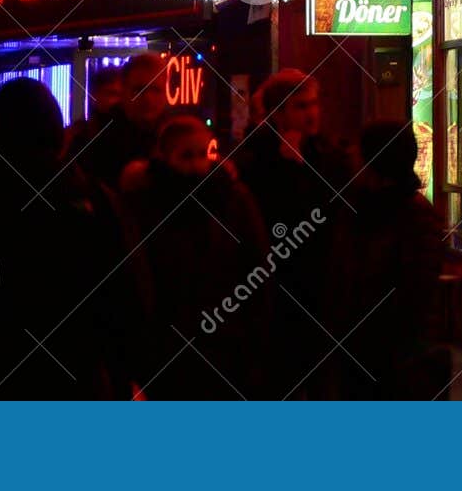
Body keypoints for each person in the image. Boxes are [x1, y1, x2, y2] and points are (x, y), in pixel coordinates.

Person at [0, 79, 148, 399]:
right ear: (54, 131)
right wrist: (122, 376)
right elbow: (129, 297)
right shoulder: (91, 203)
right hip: (77, 383)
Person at [123, 114, 268, 399]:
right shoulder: (149, 205)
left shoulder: (231, 199)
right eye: (187, 156)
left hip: (221, 344)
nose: (197, 165)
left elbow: (256, 268)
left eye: (203, 154)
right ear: (164, 157)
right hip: (177, 346)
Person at [233, 69, 347, 396]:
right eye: (300, 106)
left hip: (322, 279)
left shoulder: (327, 151)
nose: (311, 113)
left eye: (313, 104)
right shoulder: (256, 156)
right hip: (278, 281)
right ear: (278, 112)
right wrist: (289, 169)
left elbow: (335, 205)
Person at [325, 121, 447, 399]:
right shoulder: (356, 208)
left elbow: (414, 294)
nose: (353, 157)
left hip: (393, 362)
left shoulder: (414, 217)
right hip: (358, 356)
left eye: (361, 152)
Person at [69, 52, 168, 190]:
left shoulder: (174, 134)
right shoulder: (95, 138)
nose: (148, 99)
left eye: (155, 90)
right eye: (139, 90)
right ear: (124, 91)